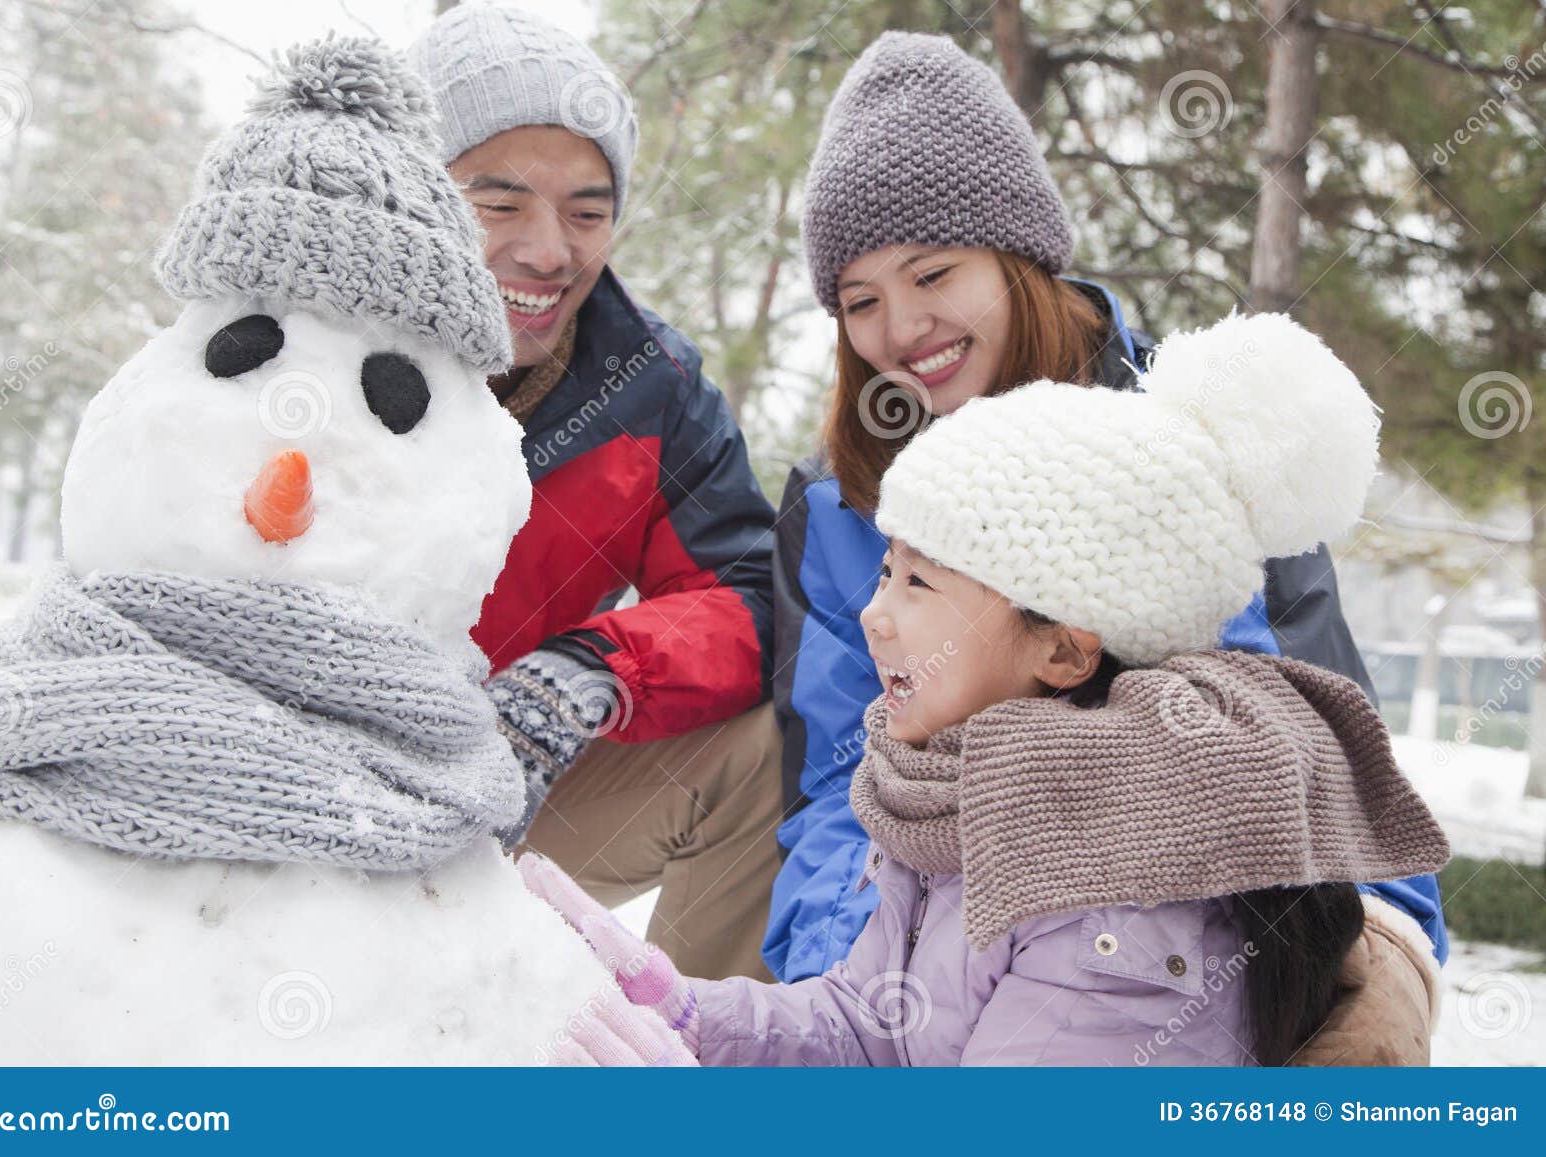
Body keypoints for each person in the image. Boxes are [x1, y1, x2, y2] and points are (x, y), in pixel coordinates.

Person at [519, 311, 1450, 1066]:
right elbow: (861, 1032)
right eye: (885, 572)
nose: (876, 616)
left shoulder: (1115, 891)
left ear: (1064, 651)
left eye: (920, 584)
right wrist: (679, 1009)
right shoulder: (950, 801)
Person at [765, 30, 1448, 987]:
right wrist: (853, 998)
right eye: (859, 300)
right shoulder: (840, 507)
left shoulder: (1194, 443)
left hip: (1187, 955)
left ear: (1017, 258)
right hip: (936, 958)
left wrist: (1380, 959)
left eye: (933, 275)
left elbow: (1320, 749)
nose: (902, 330)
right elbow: (833, 790)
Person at [411, 4, 780, 981]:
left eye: (586, 210)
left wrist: (591, 668)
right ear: (413, 193)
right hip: (275, 800)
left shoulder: (648, 388)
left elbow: (751, 592)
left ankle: (695, 1073)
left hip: (504, 792)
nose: (549, 251)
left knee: (764, 748)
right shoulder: (297, 348)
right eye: (500, 203)